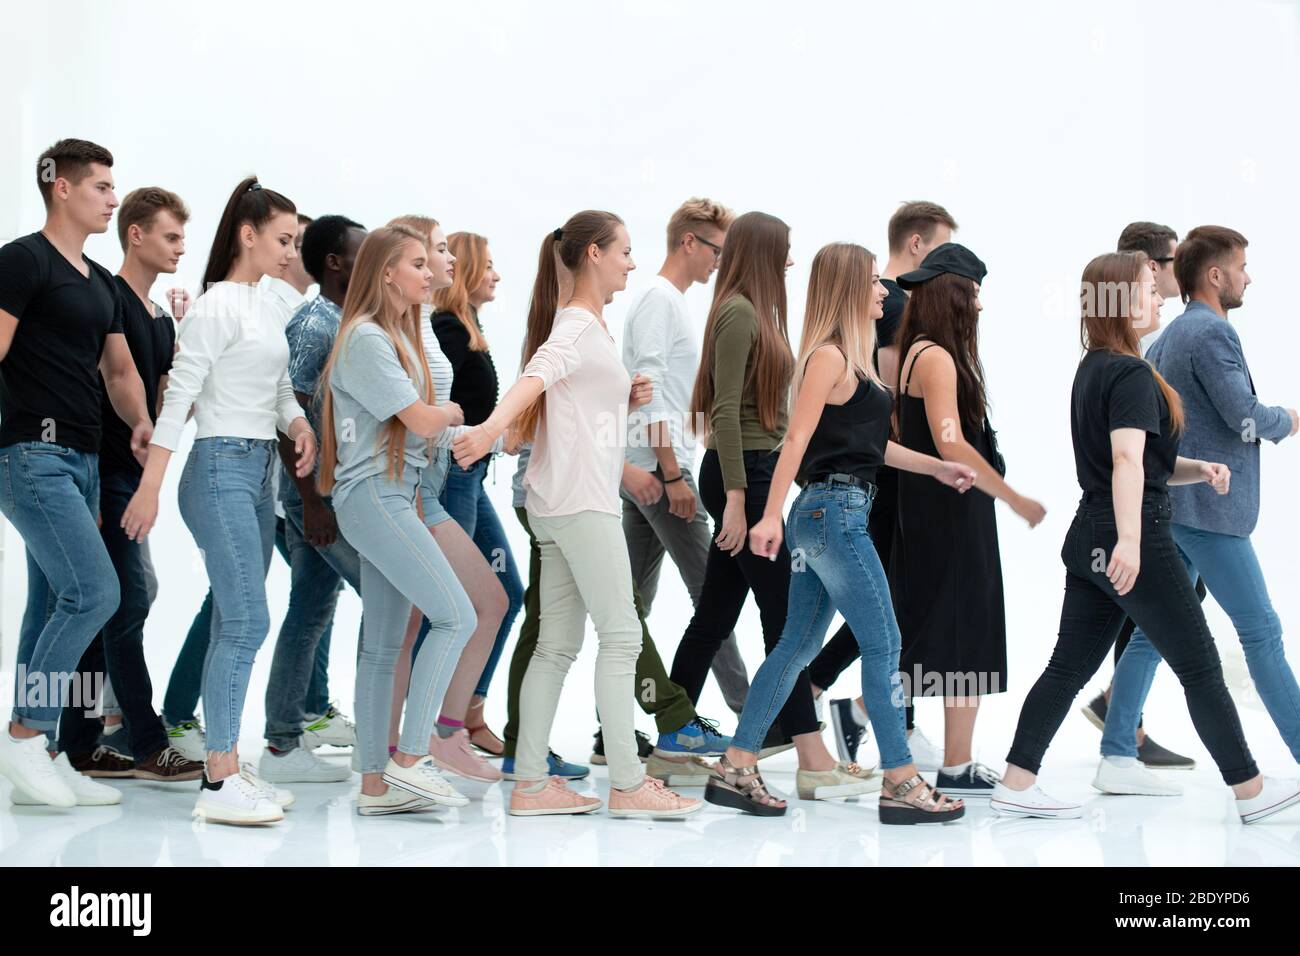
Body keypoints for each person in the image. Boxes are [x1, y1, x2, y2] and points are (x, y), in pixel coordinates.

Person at [990, 250, 1300, 825]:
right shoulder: (1131, 373)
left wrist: (1198, 468)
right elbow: (1128, 461)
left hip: (1089, 535)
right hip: (1131, 535)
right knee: (1202, 666)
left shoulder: (1097, 365)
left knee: (1068, 665)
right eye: (1148, 287)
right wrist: (1131, 541)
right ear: (1121, 299)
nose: (1160, 294)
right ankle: (1252, 791)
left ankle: (1017, 781)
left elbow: (1142, 460)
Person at [706, 242, 974, 822]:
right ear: (852, 288)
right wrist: (768, 514)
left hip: (829, 514)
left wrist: (938, 466)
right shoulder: (827, 358)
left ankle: (736, 765)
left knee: (797, 646)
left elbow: (871, 448)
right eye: (876, 282)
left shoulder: (853, 362)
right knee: (885, 645)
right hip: (833, 514)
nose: (885, 291)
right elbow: (795, 442)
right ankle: (902, 782)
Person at [455, 210, 702, 817]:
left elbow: (574, 402)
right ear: (593, 254)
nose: (632, 262)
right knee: (621, 637)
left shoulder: (589, 327)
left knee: (555, 647)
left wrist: (626, 393)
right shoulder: (573, 326)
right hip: (583, 507)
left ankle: (532, 786)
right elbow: (536, 378)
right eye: (623, 251)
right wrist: (488, 430)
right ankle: (627, 782)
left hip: (556, 504)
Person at [121, 176, 317, 826]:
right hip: (218, 470)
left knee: (238, 617)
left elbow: (279, 386)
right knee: (246, 621)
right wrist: (150, 488)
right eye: (283, 239)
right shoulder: (215, 307)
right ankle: (218, 778)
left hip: (257, 471)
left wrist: (297, 425)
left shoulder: (263, 306)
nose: (291, 252)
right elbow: (181, 398)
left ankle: (225, 760)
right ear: (248, 234)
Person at [1096, 227, 1300, 792]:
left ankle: (1115, 751)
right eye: (1241, 266)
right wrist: (1289, 418)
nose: (1248, 276)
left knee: (1150, 633)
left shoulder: (1170, 336)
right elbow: (1243, 414)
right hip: (1211, 513)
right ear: (1215, 275)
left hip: (1177, 509)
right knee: (1262, 631)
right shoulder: (1209, 333)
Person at [0, 138, 152, 808]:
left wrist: (142, 421)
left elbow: (118, 371)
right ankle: (25, 735)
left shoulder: (98, 284)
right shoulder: (21, 261)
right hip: (32, 453)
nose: (112, 199)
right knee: (95, 592)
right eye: (100, 187)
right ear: (61, 187)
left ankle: (51, 750)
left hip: (86, 461)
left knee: (52, 604)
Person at [317, 224, 477, 816]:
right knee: (456, 615)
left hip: (394, 493)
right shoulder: (363, 338)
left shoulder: (394, 336)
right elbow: (420, 420)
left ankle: (374, 787)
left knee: (383, 647)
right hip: (373, 497)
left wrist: (472, 431)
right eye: (417, 263)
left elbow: (425, 430)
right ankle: (411, 757)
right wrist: (454, 413)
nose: (429, 272)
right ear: (387, 273)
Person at [52, 187, 205, 787]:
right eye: (170, 236)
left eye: (182, 238)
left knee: (110, 606)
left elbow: (172, 413)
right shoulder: (103, 296)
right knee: (123, 602)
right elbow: (95, 382)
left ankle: (82, 742)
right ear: (135, 235)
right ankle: (143, 740)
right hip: (100, 474)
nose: (180, 248)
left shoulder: (159, 317)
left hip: (130, 476)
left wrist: (186, 344)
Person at [887, 242, 1045, 797]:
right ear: (954, 293)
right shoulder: (935, 358)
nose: (978, 305)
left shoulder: (915, 352)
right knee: (960, 628)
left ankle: (956, 763)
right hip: (951, 511)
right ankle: (897, 731)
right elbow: (953, 444)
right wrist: (1014, 497)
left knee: (952, 633)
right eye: (974, 293)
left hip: (936, 509)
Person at [666, 212, 822, 760]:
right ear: (764, 253)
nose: (791, 260)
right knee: (786, 615)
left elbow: (771, 416)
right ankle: (808, 751)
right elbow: (725, 412)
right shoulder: (737, 313)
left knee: (715, 614)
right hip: (744, 478)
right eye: (785, 248)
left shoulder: (758, 313)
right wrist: (737, 502)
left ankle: (672, 728)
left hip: (755, 473)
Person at [811, 200, 957, 767]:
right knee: (893, 604)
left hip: (874, 471)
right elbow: (889, 392)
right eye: (941, 250)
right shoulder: (894, 302)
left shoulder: (883, 300)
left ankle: (870, 711)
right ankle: (845, 703)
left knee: (886, 604)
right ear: (917, 244)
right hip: (881, 478)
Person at [619, 197, 750, 726]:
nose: (718, 261)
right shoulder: (659, 298)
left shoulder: (669, 299)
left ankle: (615, 729)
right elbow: (645, 391)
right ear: (688, 242)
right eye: (716, 249)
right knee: (713, 596)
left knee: (629, 608)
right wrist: (673, 473)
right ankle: (754, 717)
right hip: (657, 468)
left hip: (649, 464)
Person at [1077, 220, 1198, 770]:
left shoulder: (1127, 339)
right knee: (1161, 621)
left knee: (1138, 616)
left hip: (1138, 497)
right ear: (1148, 267)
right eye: (1171, 264)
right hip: (1136, 503)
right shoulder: (1136, 343)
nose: (1174, 277)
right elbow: (1127, 450)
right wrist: (1129, 532)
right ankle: (1124, 727)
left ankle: (1122, 721)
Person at [258, 215, 368, 784]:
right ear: (334, 262)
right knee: (385, 596)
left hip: (332, 494)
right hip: (314, 498)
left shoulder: (346, 319)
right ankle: (374, 745)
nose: (371, 257)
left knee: (310, 609)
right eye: (361, 250)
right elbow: (287, 415)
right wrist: (313, 503)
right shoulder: (315, 324)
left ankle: (283, 742)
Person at [429, 231, 523, 756]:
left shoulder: (468, 327)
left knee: (505, 594)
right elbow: (430, 406)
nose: (496, 275)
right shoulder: (447, 327)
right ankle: (436, 727)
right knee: (454, 603)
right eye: (487, 266)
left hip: (471, 477)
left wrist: (501, 435)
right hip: (451, 479)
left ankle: (464, 712)